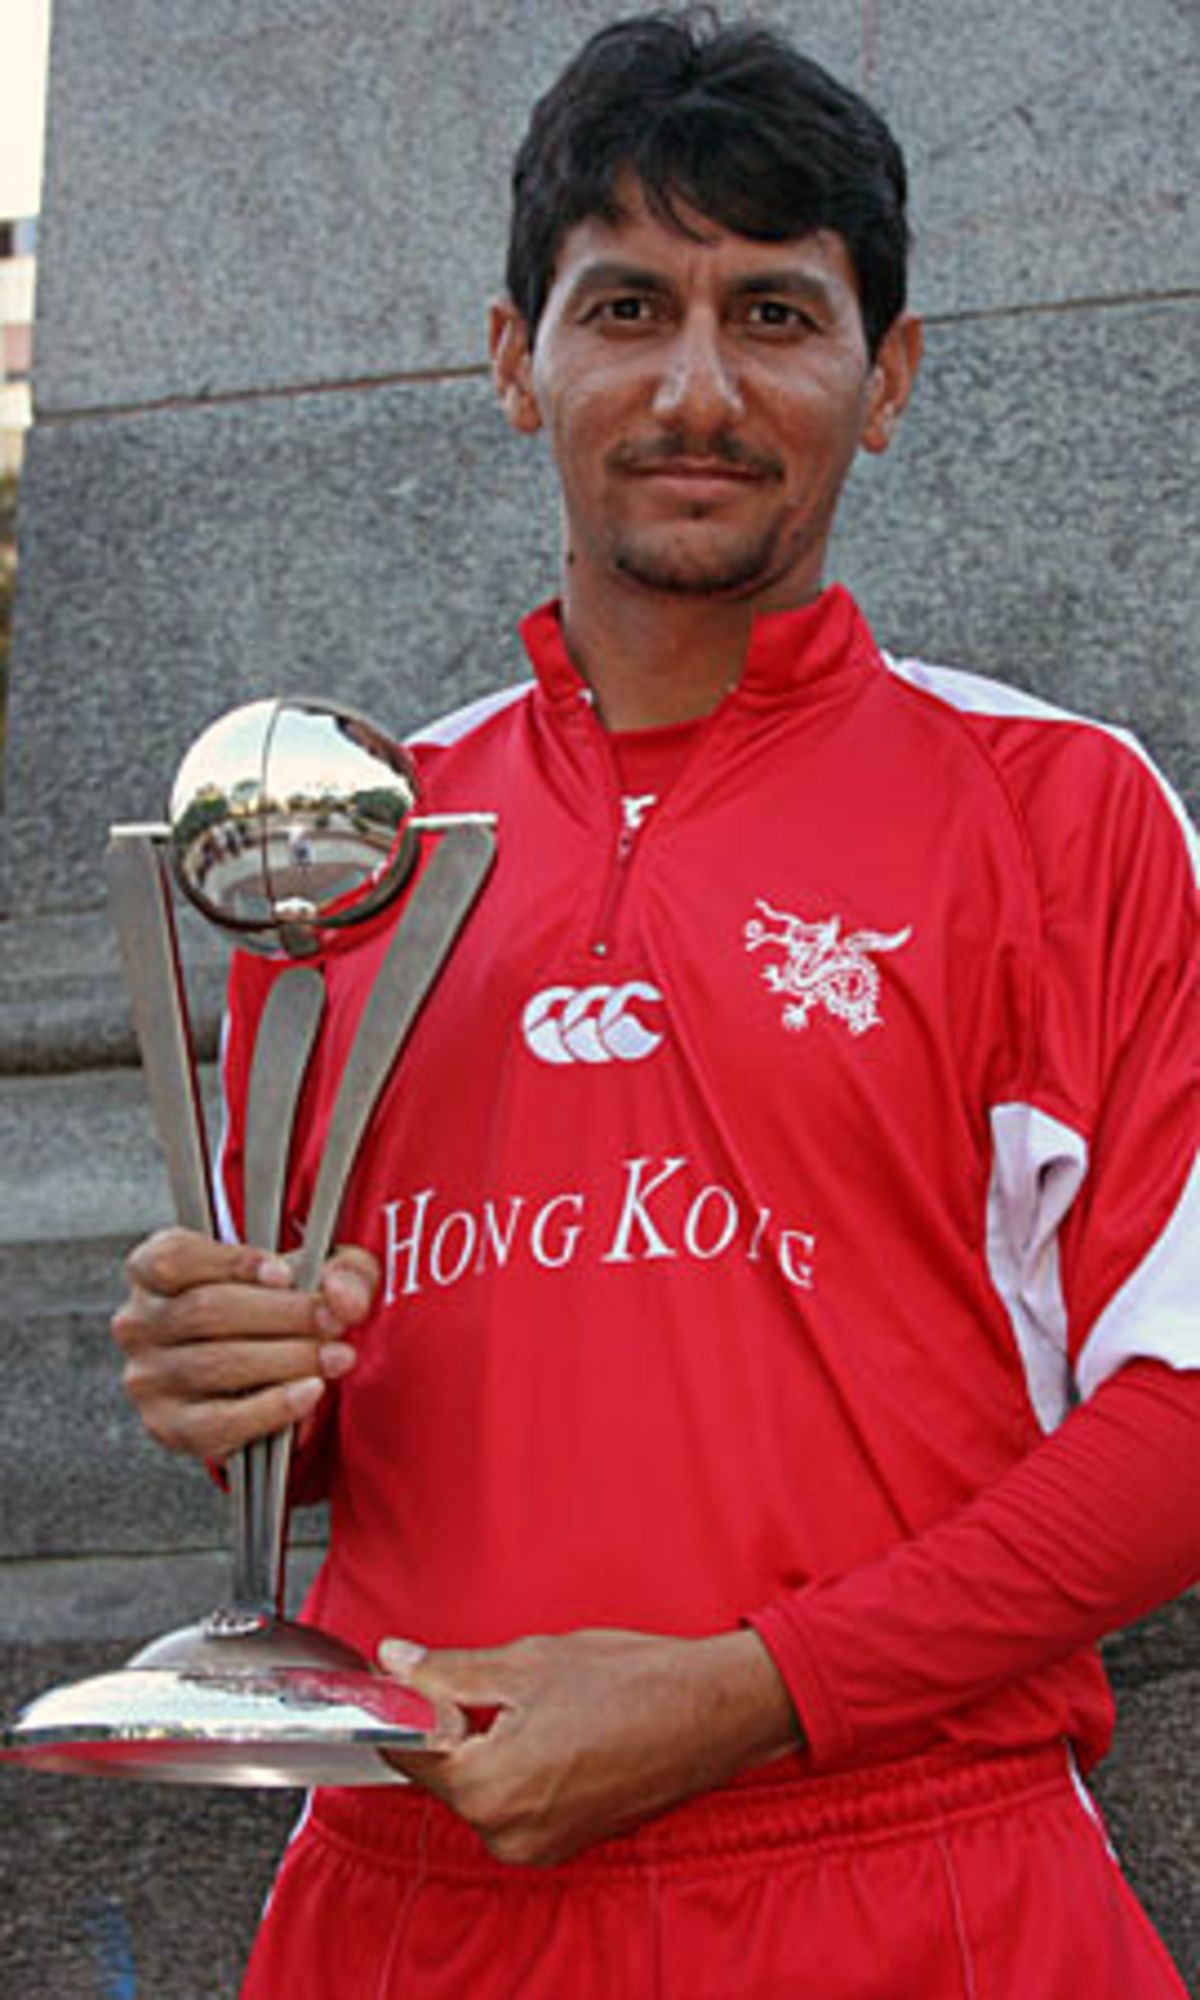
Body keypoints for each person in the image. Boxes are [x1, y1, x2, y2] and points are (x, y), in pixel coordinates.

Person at [112, 11, 1199, 1996]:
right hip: (408, 1897)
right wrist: (232, 1390)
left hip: (908, 1880)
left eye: (776, 314)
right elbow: (342, 1414)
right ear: (519, 360)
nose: (696, 386)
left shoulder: (1062, 808)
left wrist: (753, 1689)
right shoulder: (346, 853)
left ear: (889, 382)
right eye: (628, 305)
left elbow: (1187, 1418)